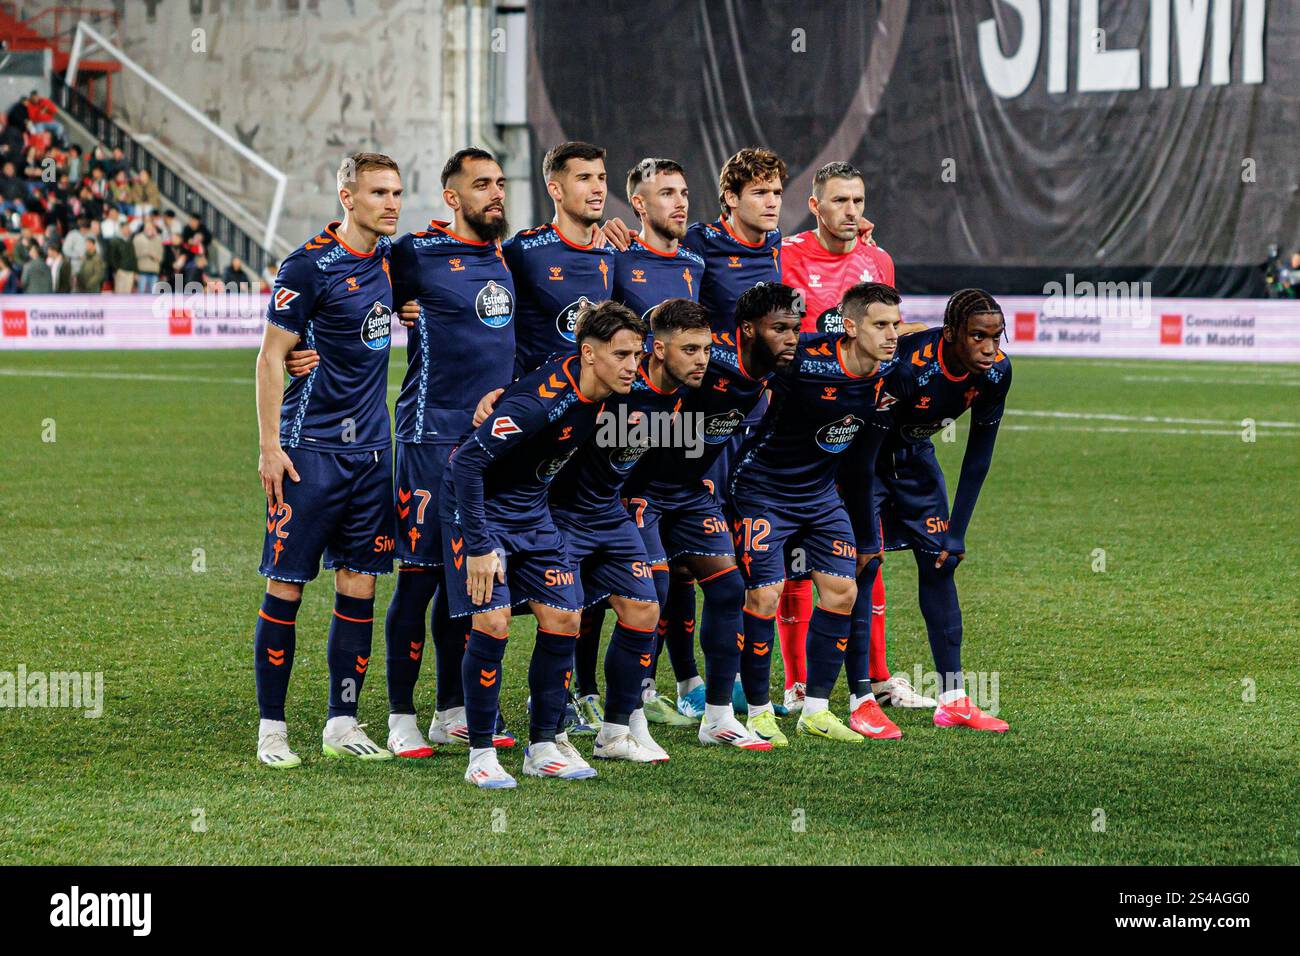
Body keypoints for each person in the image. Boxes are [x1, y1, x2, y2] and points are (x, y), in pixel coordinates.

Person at [440, 300, 644, 788]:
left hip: (533, 512)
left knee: (565, 617)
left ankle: (542, 746)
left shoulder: (604, 384)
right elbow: (465, 464)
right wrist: (478, 545)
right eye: (622, 355)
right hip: (481, 513)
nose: (632, 366)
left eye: (637, 354)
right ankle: (481, 754)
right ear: (590, 354)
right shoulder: (538, 403)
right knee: (493, 620)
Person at [250, 151, 402, 769]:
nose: (391, 203)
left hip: (372, 455)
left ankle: (342, 719)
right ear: (347, 196)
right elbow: (268, 358)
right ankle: (272, 730)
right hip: (309, 454)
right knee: (285, 587)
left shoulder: (395, 261)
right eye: (378, 193)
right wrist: (269, 447)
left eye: (396, 192)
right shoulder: (308, 265)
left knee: (358, 587)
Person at [776, 161, 935, 712]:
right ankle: (798, 685)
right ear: (815, 205)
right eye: (840, 201)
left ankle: (879, 676)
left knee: (868, 550)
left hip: (862, 424)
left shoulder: (878, 259)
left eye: (859, 201)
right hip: (799, 427)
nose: (851, 211)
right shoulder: (786, 255)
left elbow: (885, 334)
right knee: (797, 554)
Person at [621, 281, 802, 748]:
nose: (791, 338)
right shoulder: (705, 362)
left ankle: (717, 717)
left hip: (689, 493)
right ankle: (626, 716)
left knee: (728, 588)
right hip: (638, 492)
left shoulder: (768, 374)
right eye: (780, 329)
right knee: (652, 592)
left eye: (794, 329)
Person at [728, 281, 902, 746]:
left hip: (822, 495)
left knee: (843, 592)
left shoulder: (888, 377)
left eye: (895, 325)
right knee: (766, 595)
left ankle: (817, 710)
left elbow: (864, 464)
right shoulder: (803, 358)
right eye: (880, 325)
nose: (891, 335)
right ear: (849, 327)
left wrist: (868, 538)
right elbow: (752, 355)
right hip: (763, 489)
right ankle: (761, 710)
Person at [570, 157, 707, 730]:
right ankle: (582, 692)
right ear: (639, 205)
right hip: (611, 431)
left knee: (670, 569)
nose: (679, 202)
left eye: (683, 191)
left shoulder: (698, 261)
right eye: (665, 193)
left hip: (669, 435)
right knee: (607, 575)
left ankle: (646, 688)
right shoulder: (615, 256)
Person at [841, 289, 1013, 735]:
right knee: (862, 569)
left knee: (941, 565)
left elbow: (978, 457)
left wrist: (957, 531)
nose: (990, 348)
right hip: (864, 463)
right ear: (953, 333)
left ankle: (953, 699)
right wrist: (863, 535)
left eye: (997, 337)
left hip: (915, 462)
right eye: (978, 337)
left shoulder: (996, 373)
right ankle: (861, 699)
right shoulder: (909, 365)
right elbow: (863, 455)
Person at [545, 298, 710, 761]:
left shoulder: (678, 394)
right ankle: (550, 733)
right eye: (690, 349)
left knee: (644, 607)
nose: (701, 360)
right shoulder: (610, 387)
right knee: (563, 617)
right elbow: (551, 396)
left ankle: (617, 730)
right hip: (560, 514)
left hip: (611, 513)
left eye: (705, 350)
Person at [503, 141, 617, 376]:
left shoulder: (614, 249)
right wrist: (414, 304)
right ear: (556, 190)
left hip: (595, 400)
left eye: (602, 178)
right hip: (538, 399)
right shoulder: (524, 250)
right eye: (584, 178)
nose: (598, 188)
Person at [132, 221, 163, 293]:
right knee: (141, 294)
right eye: (147, 228)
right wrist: (147, 253)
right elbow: (134, 255)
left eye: (151, 228)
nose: (149, 229)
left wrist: (156, 257)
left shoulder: (158, 239)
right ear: (144, 229)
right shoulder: (137, 238)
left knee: (153, 294)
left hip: (154, 271)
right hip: (142, 271)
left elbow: (160, 257)